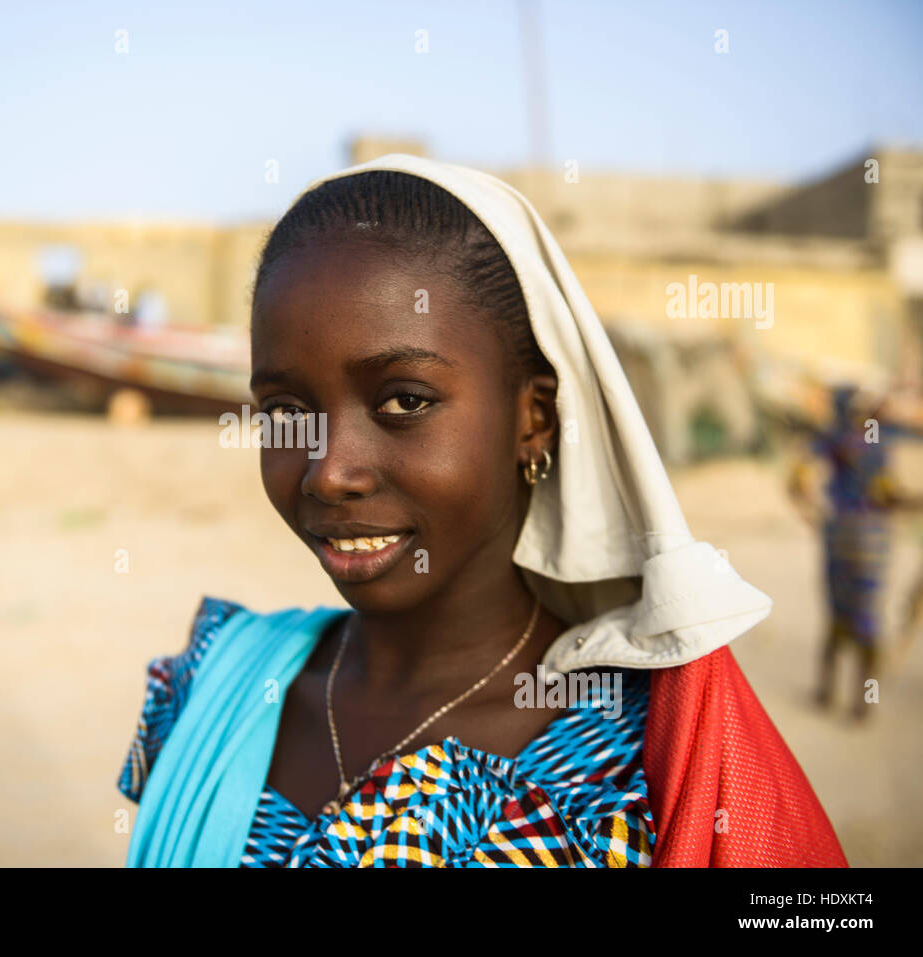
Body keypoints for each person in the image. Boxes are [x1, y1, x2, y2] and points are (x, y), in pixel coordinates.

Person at [118, 154, 847, 867]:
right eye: (285, 411)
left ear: (533, 419)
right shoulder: (215, 687)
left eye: (405, 400)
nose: (329, 470)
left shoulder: (634, 783)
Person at [789, 383, 923, 720]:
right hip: (872, 540)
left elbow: (798, 479)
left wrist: (813, 511)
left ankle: (826, 691)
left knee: (836, 612)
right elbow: (887, 493)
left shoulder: (833, 438)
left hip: (838, 534)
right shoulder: (877, 443)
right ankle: (863, 701)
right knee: (866, 617)